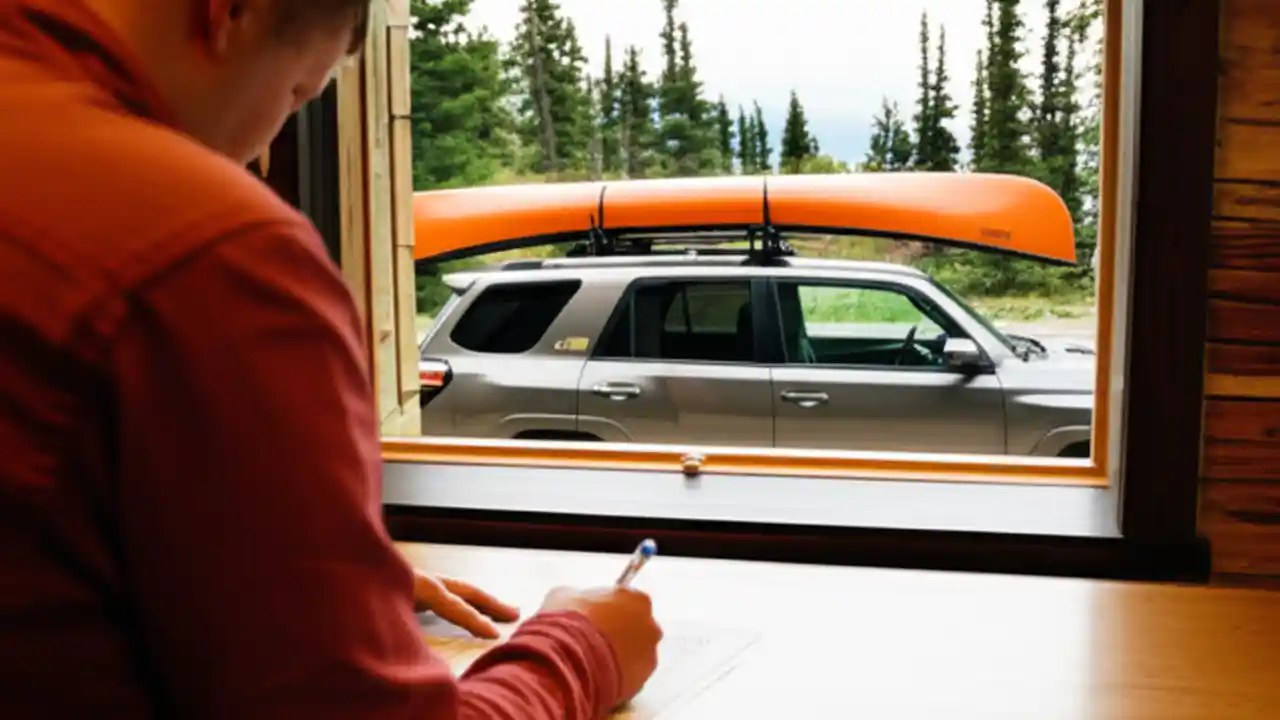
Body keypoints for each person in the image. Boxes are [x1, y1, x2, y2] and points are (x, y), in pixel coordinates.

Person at [0, 1, 661, 718]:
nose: (261, 156)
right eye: (295, 95)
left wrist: (298, 581)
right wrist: (579, 647)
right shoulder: (209, 256)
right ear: (230, 13)